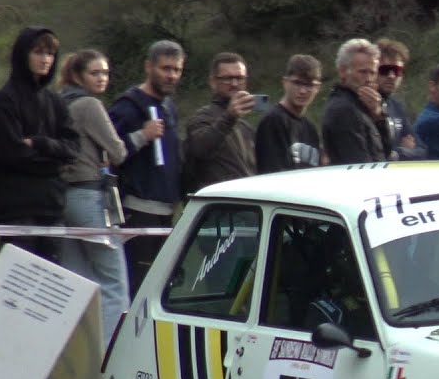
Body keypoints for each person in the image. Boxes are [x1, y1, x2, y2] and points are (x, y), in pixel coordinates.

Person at [0, 26, 79, 263]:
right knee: (17, 276)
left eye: (50, 53)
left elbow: (73, 148)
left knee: (51, 277)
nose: (45, 59)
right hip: (16, 207)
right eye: (38, 52)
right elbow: (12, 153)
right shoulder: (4, 100)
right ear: (23, 54)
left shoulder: (56, 101)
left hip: (52, 205)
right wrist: (55, 161)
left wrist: (40, 143)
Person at [58, 49, 130, 335]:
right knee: (114, 283)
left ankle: (77, 351)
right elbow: (119, 151)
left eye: (105, 73)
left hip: (61, 198)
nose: (102, 78)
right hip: (89, 196)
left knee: (79, 281)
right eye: (95, 73)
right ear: (78, 76)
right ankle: (110, 352)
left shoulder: (56, 104)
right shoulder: (89, 105)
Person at [109, 39, 184, 295]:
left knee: (161, 287)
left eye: (176, 70)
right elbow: (107, 154)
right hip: (138, 212)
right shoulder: (127, 107)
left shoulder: (169, 107)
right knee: (138, 286)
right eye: (165, 68)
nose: (171, 75)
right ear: (148, 67)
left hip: (166, 212)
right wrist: (141, 136)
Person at [184, 52, 257, 193]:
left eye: (239, 78)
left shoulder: (245, 127)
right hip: (219, 200)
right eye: (227, 79)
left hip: (247, 198)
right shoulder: (202, 118)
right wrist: (229, 117)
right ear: (213, 82)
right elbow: (199, 149)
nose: (234, 84)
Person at [321, 38, 391, 165]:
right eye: (363, 72)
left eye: (372, 73)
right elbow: (358, 164)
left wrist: (378, 116)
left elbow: (385, 153)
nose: (369, 79)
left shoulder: (363, 105)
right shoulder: (343, 109)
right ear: (342, 72)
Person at [255, 54, 324, 174]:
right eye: (297, 83)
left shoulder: (310, 128)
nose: (302, 91)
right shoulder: (273, 121)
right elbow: (271, 174)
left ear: (317, 88)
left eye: (309, 85)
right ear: (285, 82)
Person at [375, 38, 425, 161]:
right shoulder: (360, 105)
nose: (391, 76)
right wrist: (402, 151)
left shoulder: (396, 106)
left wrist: (398, 153)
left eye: (397, 71)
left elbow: (421, 150)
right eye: (385, 70)